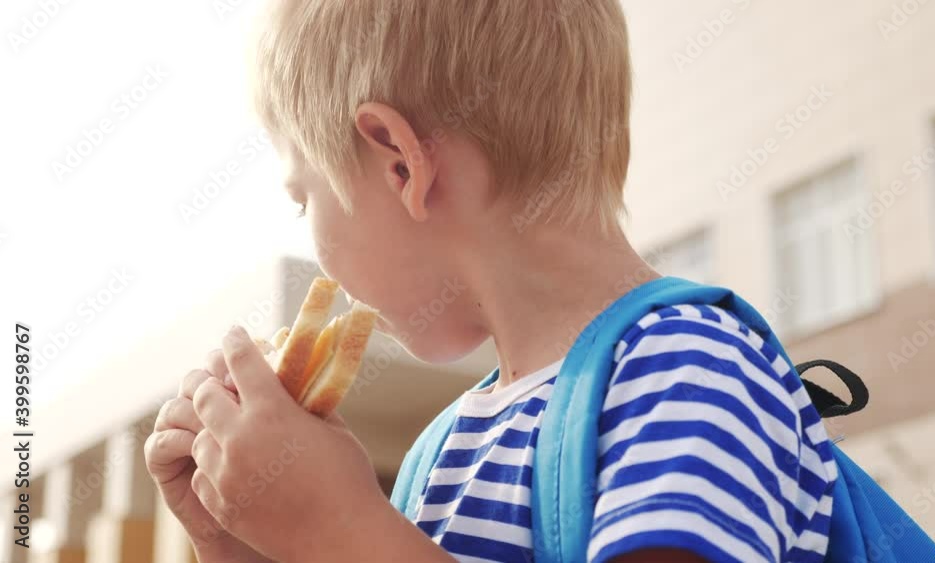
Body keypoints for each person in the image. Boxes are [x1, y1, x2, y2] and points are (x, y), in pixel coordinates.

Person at [145, 1, 836, 561]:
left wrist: (339, 529)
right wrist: (248, 541)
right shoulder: (444, 447)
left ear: (399, 164)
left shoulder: (689, 369)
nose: (312, 238)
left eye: (306, 199)